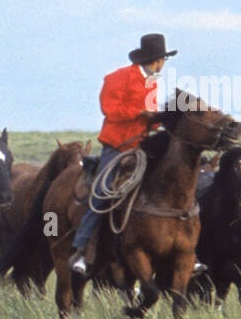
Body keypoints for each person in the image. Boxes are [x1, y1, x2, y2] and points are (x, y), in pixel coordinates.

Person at [69, 33, 174, 277]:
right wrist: (141, 112)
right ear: (157, 59)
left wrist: (160, 120)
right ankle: (81, 249)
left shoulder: (152, 83)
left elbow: (150, 119)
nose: (164, 64)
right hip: (117, 146)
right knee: (101, 194)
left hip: (142, 147)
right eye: (164, 59)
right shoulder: (116, 78)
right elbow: (110, 110)